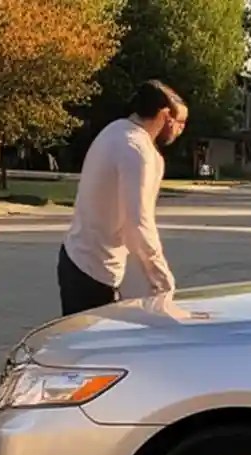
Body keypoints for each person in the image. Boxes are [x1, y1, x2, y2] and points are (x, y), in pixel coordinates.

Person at [57, 80, 187, 316]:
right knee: (97, 349)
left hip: (76, 259)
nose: (180, 130)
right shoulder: (137, 150)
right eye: (180, 122)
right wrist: (163, 280)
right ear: (165, 115)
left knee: (83, 345)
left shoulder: (114, 130)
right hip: (93, 272)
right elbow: (137, 225)